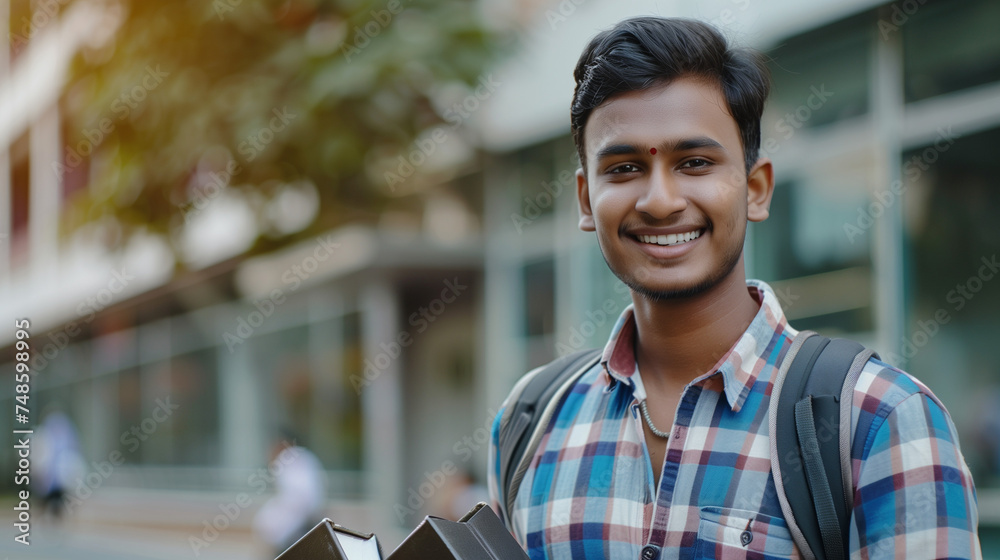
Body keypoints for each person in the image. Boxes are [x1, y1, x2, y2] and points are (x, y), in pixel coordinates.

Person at [487, 17, 981, 559]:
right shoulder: (531, 417)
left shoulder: (880, 420)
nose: (659, 200)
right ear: (586, 200)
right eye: (625, 168)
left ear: (755, 188)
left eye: (694, 162)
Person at [252, 429, 327, 557]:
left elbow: (301, 499)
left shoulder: (290, 460)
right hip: (302, 525)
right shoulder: (304, 458)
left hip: (297, 529)